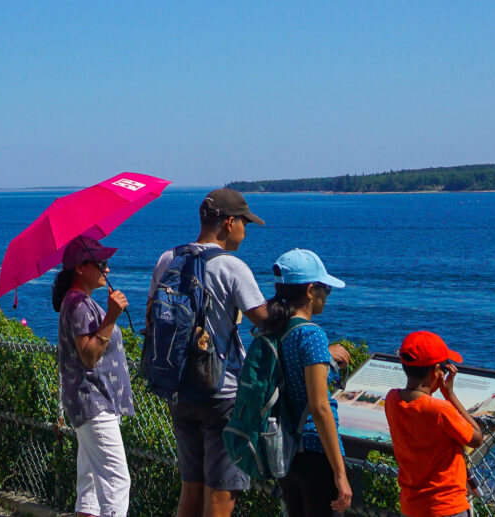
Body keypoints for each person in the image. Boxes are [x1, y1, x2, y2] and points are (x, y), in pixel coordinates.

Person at [146, 188, 272, 517]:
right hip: (222, 392)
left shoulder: (168, 259)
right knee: (221, 492)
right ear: (229, 223)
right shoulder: (231, 266)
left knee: (191, 486)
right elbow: (266, 321)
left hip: (178, 386)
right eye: (245, 223)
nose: (246, 231)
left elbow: (152, 315)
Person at [258, 249, 354, 516]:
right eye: (325, 289)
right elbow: (319, 406)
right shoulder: (311, 335)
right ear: (311, 291)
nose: (326, 296)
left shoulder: (275, 328)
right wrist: (340, 473)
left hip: (285, 447)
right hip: (315, 448)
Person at [55, 234, 135, 517]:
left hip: (91, 402)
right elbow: (89, 356)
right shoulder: (78, 304)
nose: (107, 269)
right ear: (80, 267)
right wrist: (111, 316)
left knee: (89, 486)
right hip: (94, 402)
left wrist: (109, 316)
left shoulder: (80, 301)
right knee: (116, 481)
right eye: (102, 263)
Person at [382, 331, 485, 517]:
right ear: (437, 371)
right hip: (447, 505)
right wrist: (450, 394)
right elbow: (477, 438)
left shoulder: (391, 399)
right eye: (444, 369)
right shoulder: (440, 409)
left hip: (412, 504)